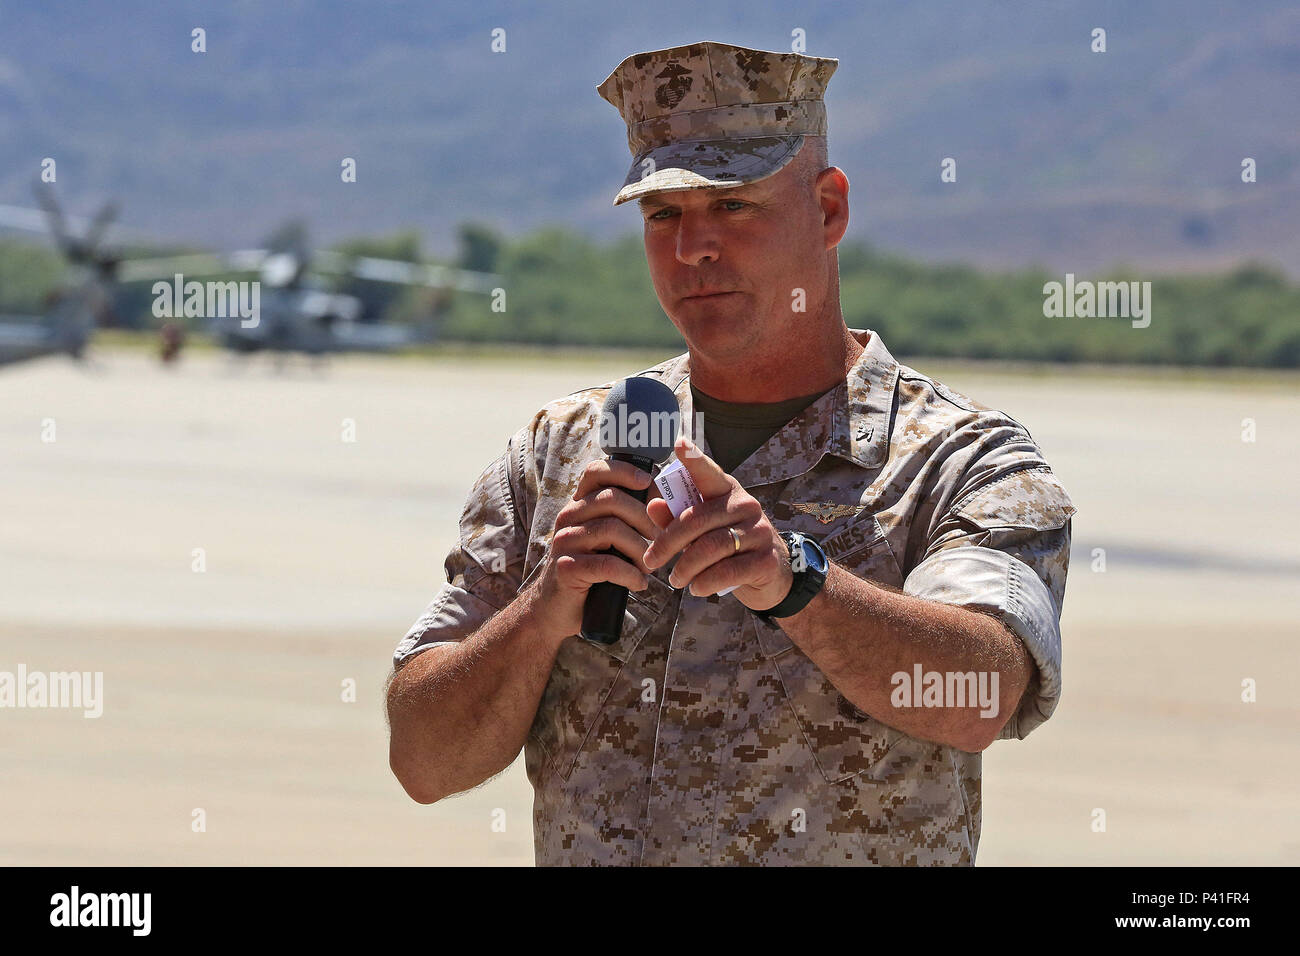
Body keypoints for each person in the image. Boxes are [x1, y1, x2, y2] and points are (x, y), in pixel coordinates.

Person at [387, 40, 1077, 865]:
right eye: (663, 215)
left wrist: (796, 582)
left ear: (827, 211)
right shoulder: (563, 453)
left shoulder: (960, 462)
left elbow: (981, 696)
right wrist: (542, 613)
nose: (693, 251)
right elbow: (422, 762)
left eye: (735, 207)